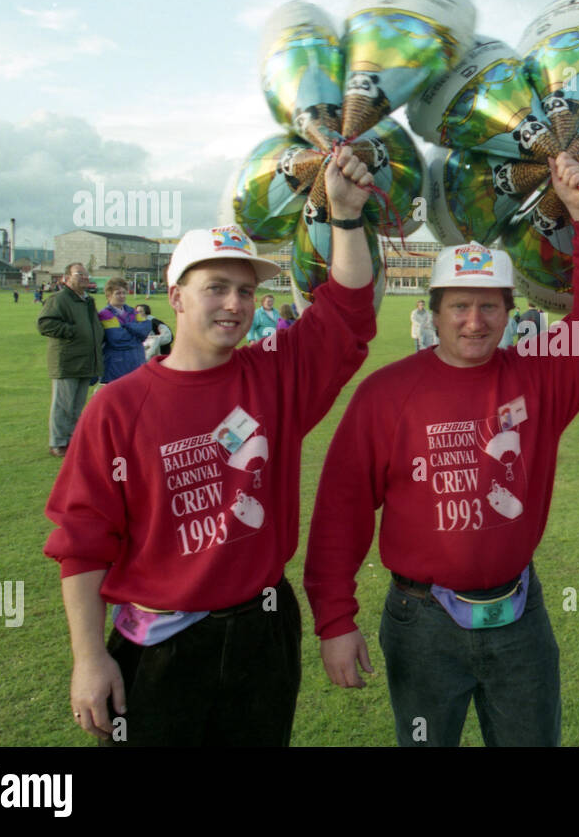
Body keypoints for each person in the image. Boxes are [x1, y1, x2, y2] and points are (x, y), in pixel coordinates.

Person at [43, 147, 379, 744]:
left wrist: (348, 217)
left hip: (262, 632)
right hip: (160, 648)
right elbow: (83, 543)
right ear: (175, 297)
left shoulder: (272, 376)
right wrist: (88, 658)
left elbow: (347, 314)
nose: (234, 304)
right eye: (216, 287)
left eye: (245, 291)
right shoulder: (116, 408)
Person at [304, 153, 579, 747]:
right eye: (458, 305)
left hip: (518, 615)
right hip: (420, 623)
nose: (474, 322)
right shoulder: (385, 394)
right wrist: (335, 620)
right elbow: (340, 512)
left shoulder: (540, 376)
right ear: (432, 313)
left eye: (489, 306)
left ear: (511, 312)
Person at [37, 263, 105, 458]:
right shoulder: (59, 299)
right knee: (63, 405)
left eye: (86, 274)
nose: (84, 277)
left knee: (76, 406)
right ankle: (58, 443)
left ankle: (72, 440)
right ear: (66, 278)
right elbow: (45, 323)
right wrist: (73, 332)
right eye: (79, 274)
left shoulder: (87, 301)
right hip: (67, 360)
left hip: (86, 360)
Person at [98, 277, 151, 384]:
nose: (122, 296)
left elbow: (145, 331)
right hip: (117, 365)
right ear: (109, 296)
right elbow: (117, 339)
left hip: (137, 361)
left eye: (124, 293)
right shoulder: (105, 314)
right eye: (118, 293)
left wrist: (126, 326)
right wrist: (136, 334)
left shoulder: (132, 311)